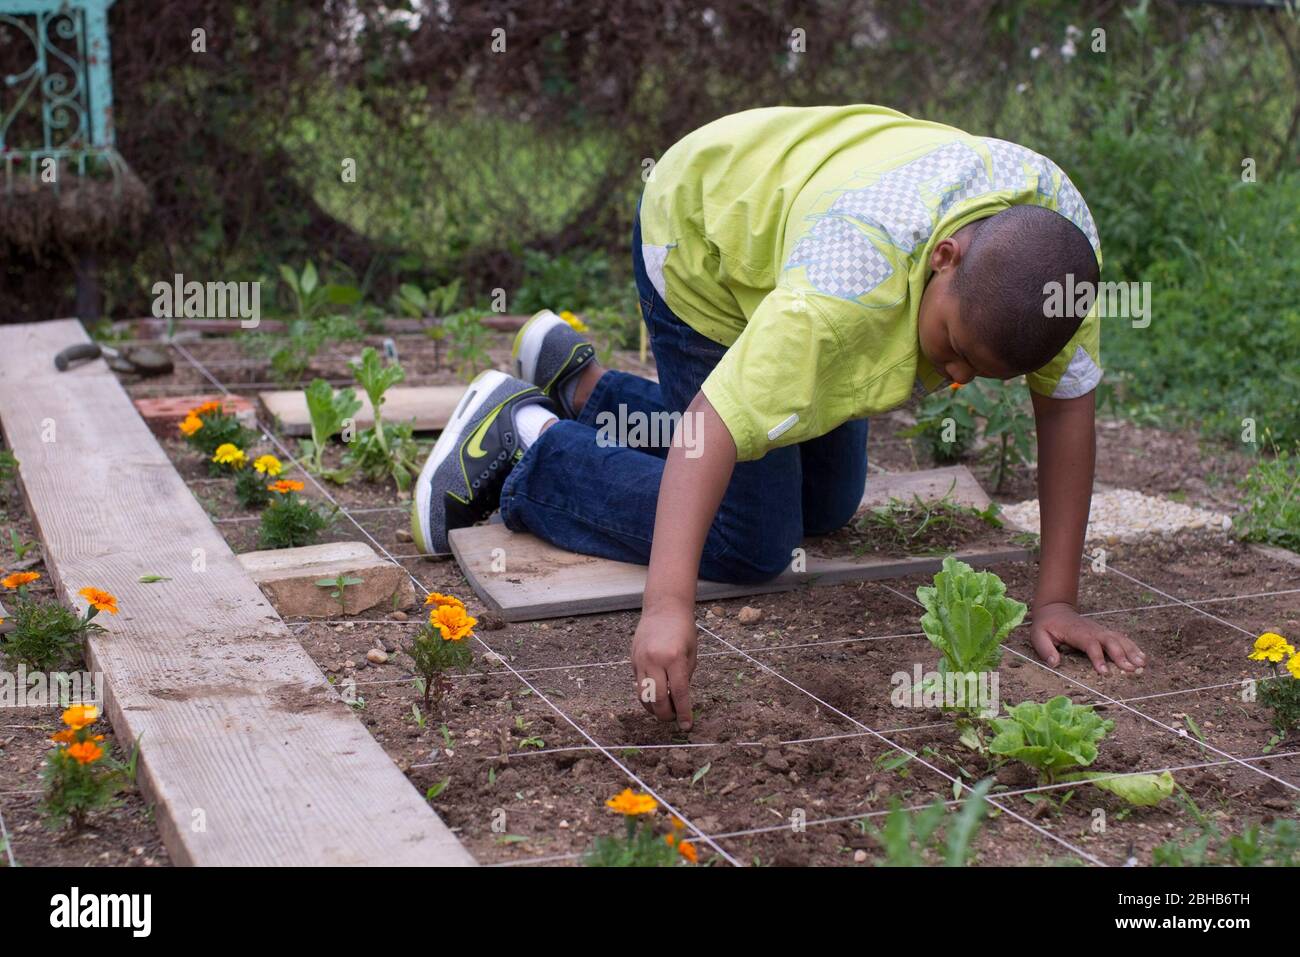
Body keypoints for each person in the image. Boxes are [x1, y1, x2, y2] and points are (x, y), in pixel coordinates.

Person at [410, 105, 1147, 730]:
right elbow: (711, 427)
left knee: (825, 505)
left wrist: (1056, 600)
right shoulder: (839, 295)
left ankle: (583, 387)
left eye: (980, 374)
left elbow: (1066, 412)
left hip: (792, 204)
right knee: (753, 538)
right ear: (945, 257)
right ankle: (531, 443)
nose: (953, 378)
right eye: (953, 348)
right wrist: (667, 606)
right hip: (706, 234)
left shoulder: (1054, 260)